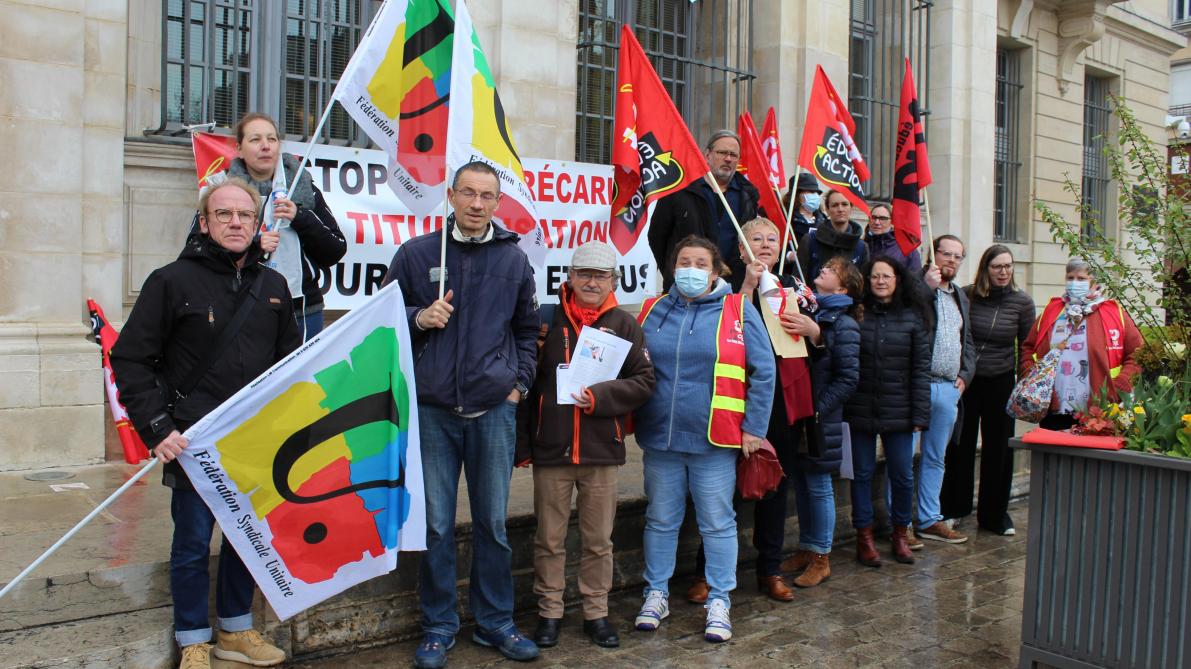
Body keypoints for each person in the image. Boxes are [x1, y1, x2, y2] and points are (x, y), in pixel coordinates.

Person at [111, 179, 301, 669]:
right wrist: (156, 429)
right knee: (193, 544)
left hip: (255, 444)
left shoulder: (275, 287)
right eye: (224, 215)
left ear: (257, 223)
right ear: (204, 223)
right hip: (193, 444)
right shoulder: (170, 281)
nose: (236, 223)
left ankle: (236, 631)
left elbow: (290, 368)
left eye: (244, 214)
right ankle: (193, 639)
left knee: (247, 540)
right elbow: (130, 359)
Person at [382, 161, 541, 668]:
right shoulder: (417, 254)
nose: (477, 204)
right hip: (433, 413)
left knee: (493, 524)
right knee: (434, 526)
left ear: (498, 201)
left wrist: (517, 386)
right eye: (468, 193)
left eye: (487, 195)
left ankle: (496, 622)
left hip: (493, 410)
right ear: (450, 195)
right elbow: (383, 320)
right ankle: (439, 625)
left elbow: (526, 332)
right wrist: (418, 318)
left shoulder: (514, 260)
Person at [632, 235, 775, 643]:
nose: (690, 269)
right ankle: (655, 592)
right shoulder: (651, 309)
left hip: (715, 440)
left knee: (716, 522)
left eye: (699, 263)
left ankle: (720, 599)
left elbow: (764, 373)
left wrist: (754, 428)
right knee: (660, 520)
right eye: (683, 261)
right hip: (661, 438)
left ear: (715, 272)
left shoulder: (738, 311)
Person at [515, 241, 655, 650]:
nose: (593, 282)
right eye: (585, 274)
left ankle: (596, 612)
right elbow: (527, 387)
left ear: (613, 280)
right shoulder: (545, 321)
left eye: (601, 275)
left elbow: (644, 381)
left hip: (601, 452)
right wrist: (525, 445)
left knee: (598, 541)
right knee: (549, 538)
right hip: (552, 451)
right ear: (570, 277)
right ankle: (550, 612)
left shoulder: (624, 324)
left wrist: (602, 397)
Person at [196, 113, 346, 339]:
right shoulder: (219, 190)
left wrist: (300, 216)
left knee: (299, 376)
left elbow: (335, 249)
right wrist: (254, 246)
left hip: (302, 311)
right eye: (255, 140)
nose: (265, 146)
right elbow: (197, 249)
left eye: (272, 139)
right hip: (238, 305)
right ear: (239, 148)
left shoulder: (303, 187)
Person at [777, 257, 862, 588]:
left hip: (820, 419)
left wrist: (816, 409)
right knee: (801, 483)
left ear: (842, 288)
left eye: (830, 271)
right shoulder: (812, 311)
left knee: (818, 485)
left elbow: (848, 378)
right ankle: (808, 547)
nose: (821, 271)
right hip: (801, 414)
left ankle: (822, 557)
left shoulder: (844, 323)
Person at [940, 245, 1035, 536]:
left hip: (1002, 382)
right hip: (968, 382)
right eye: (997, 267)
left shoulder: (1022, 303)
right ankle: (953, 508)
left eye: (1007, 266)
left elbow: (1027, 347)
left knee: (999, 450)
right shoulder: (966, 296)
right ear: (986, 269)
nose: (1003, 272)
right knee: (960, 446)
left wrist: (1026, 382)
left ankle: (995, 515)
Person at [845, 257, 932, 567]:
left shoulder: (912, 317)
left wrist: (921, 415)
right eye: (875, 276)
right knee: (862, 474)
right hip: (860, 409)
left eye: (887, 276)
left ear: (898, 280)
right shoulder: (856, 314)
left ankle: (899, 533)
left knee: (902, 475)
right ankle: (864, 538)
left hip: (900, 411)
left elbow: (921, 370)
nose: (880, 281)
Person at [1020, 258, 1143, 431]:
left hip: (1097, 411)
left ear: (1094, 282)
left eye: (1081, 279)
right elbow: (1028, 347)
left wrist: (1120, 385)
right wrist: (1031, 375)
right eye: (1070, 278)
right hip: (1054, 408)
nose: (1073, 283)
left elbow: (1138, 353)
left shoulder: (1114, 313)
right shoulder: (1053, 311)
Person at [913, 235, 976, 545]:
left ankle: (928, 519)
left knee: (936, 457)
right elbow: (908, 317)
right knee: (904, 456)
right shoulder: (917, 286)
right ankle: (900, 525)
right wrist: (926, 286)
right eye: (945, 254)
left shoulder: (961, 296)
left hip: (948, 389)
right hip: (918, 386)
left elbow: (969, 341)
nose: (951, 260)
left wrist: (965, 374)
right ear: (933, 254)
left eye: (957, 256)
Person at [648, 130, 760, 289]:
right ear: (707, 155)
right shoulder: (679, 189)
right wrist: (672, 270)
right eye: (722, 153)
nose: (728, 159)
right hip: (686, 286)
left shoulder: (748, 195)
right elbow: (657, 235)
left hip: (732, 286)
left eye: (733, 155)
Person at [796, 189, 870, 283]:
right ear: (827, 210)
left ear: (851, 208)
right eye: (835, 205)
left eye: (844, 204)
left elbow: (862, 286)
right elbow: (798, 279)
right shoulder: (810, 240)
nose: (840, 209)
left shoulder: (861, 247)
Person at [863, 202, 922, 270]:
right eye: (873, 217)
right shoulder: (862, 245)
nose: (876, 222)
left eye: (882, 218)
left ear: (892, 222)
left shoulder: (906, 249)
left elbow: (916, 277)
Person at [780, 171, 828, 246]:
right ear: (797, 195)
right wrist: (789, 254)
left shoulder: (824, 220)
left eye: (816, 192)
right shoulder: (786, 219)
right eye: (811, 192)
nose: (815, 195)